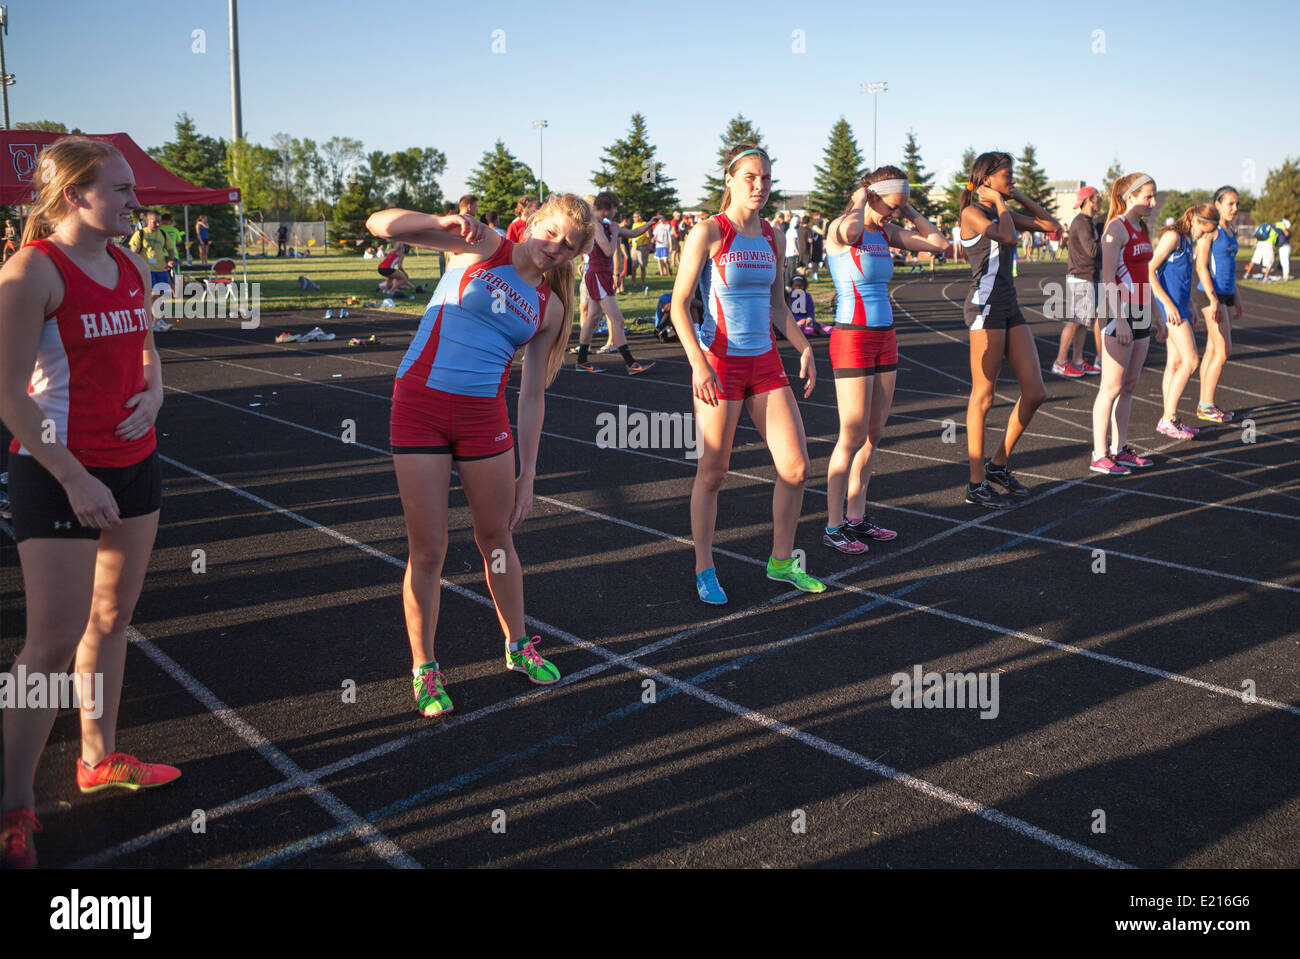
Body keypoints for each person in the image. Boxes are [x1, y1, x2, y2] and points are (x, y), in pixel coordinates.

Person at [0, 137, 178, 869]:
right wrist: (73, 475)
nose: (137, 202)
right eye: (123, 189)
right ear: (75, 195)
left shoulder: (131, 263)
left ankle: (97, 758)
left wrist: (156, 393)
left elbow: (148, 354)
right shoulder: (31, 270)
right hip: (57, 471)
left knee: (113, 619)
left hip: (134, 466)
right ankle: (14, 800)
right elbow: (9, 394)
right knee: (50, 640)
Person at [365, 193, 595, 717]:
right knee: (429, 549)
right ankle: (425, 668)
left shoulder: (550, 307)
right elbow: (380, 225)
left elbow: (532, 393)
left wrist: (530, 474)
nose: (556, 248)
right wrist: (436, 222)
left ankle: (517, 645)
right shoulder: (481, 243)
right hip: (419, 406)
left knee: (496, 538)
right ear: (533, 222)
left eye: (570, 247)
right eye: (552, 233)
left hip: (482, 423)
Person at [670, 143, 825, 604]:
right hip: (718, 365)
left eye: (766, 178)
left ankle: (781, 560)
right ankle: (704, 567)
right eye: (751, 177)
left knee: (796, 468)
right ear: (730, 180)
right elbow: (679, 306)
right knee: (713, 473)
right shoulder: (710, 232)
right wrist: (698, 364)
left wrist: (804, 348)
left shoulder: (773, 236)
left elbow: (778, 306)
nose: (760, 186)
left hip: (766, 364)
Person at [823, 167, 950, 552]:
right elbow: (848, 232)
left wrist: (907, 208)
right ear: (872, 196)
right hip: (852, 338)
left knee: (874, 433)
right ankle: (832, 525)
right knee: (852, 434)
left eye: (900, 206)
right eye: (892, 205)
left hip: (886, 337)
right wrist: (863, 196)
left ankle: (857, 517)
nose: (896, 213)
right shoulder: (843, 228)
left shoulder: (887, 232)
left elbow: (939, 244)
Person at [958, 152, 1060, 508]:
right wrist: (1000, 202)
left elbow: (1050, 226)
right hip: (984, 309)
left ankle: (998, 465)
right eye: (1007, 175)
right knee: (983, 397)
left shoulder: (1002, 208)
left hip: (1009, 306)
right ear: (986, 179)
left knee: (1035, 391)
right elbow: (1009, 238)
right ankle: (975, 483)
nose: (1012, 179)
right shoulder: (972, 213)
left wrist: (1015, 197)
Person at [1089, 172, 1164, 474]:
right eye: (1148, 196)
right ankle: (1099, 454)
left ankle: (1119, 449)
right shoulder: (1115, 228)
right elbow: (1107, 278)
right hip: (1120, 314)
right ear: (1130, 196)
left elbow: (1145, 276)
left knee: (1129, 386)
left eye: (1153, 195)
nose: (1153, 202)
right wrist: (1120, 320)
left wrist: (1157, 315)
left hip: (1142, 311)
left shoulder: (1142, 228)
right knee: (1111, 387)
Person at [1150, 202, 1219, 440]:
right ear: (1195, 220)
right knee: (1191, 362)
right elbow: (1150, 271)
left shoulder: (1189, 241)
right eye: (1204, 230)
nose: (1204, 235)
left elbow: (1181, 277)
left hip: (1180, 306)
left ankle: (1168, 416)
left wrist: (1190, 304)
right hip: (1169, 307)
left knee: (1175, 362)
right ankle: (1168, 418)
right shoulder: (1173, 236)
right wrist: (1167, 304)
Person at [574, 192, 656, 374]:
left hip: (600, 274)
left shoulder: (605, 224)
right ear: (606, 208)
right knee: (617, 319)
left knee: (593, 318)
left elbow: (632, 233)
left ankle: (582, 361)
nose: (617, 211)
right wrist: (614, 233)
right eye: (615, 207)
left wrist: (649, 224)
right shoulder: (596, 225)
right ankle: (631, 363)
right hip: (597, 274)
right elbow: (608, 251)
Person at [1194, 186, 1242, 423]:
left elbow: (1230, 269)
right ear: (1218, 204)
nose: (1234, 208)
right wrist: (1213, 298)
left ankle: (1205, 403)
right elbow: (1201, 266)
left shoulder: (1231, 231)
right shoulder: (1211, 232)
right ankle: (1206, 405)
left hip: (1224, 295)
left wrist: (1236, 298)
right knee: (1223, 351)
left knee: (1214, 350)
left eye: (1237, 204)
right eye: (1230, 204)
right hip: (1208, 294)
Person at [1054, 186, 1105, 377]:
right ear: (1089, 199)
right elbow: (1092, 250)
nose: (1100, 200)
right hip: (1081, 277)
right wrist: (1109, 240)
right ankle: (1060, 362)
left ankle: (1077, 360)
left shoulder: (1088, 222)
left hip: (1088, 276)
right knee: (1076, 321)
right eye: (1098, 197)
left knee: (1084, 322)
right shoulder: (1082, 222)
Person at [128, 209, 178, 332]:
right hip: (147, 270)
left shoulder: (163, 234)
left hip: (161, 269)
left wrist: (171, 260)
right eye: (155, 222)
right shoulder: (140, 234)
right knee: (153, 294)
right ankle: (154, 321)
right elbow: (133, 252)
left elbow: (171, 249)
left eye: (159, 222)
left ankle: (155, 320)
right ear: (148, 221)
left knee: (160, 295)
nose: (158, 224)